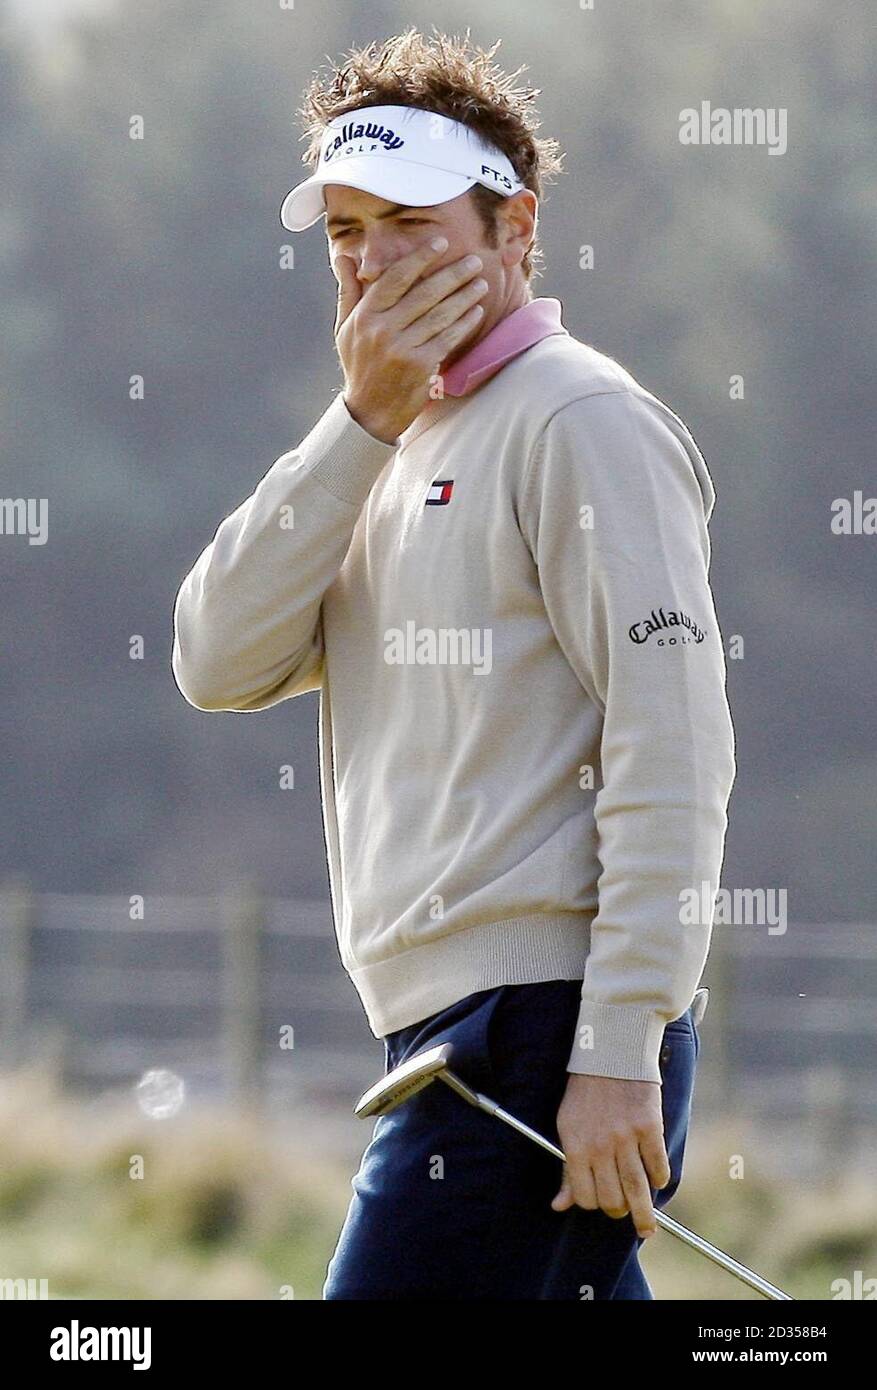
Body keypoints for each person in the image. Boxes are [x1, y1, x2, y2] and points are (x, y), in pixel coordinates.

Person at [171, 28, 736, 1299]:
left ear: (514, 229)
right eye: (346, 232)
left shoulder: (581, 419)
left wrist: (616, 1051)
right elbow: (213, 656)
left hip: (537, 1038)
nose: (372, 261)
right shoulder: (379, 445)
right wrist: (360, 418)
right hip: (453, 1035)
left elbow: (676, 747)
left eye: (411, 222)